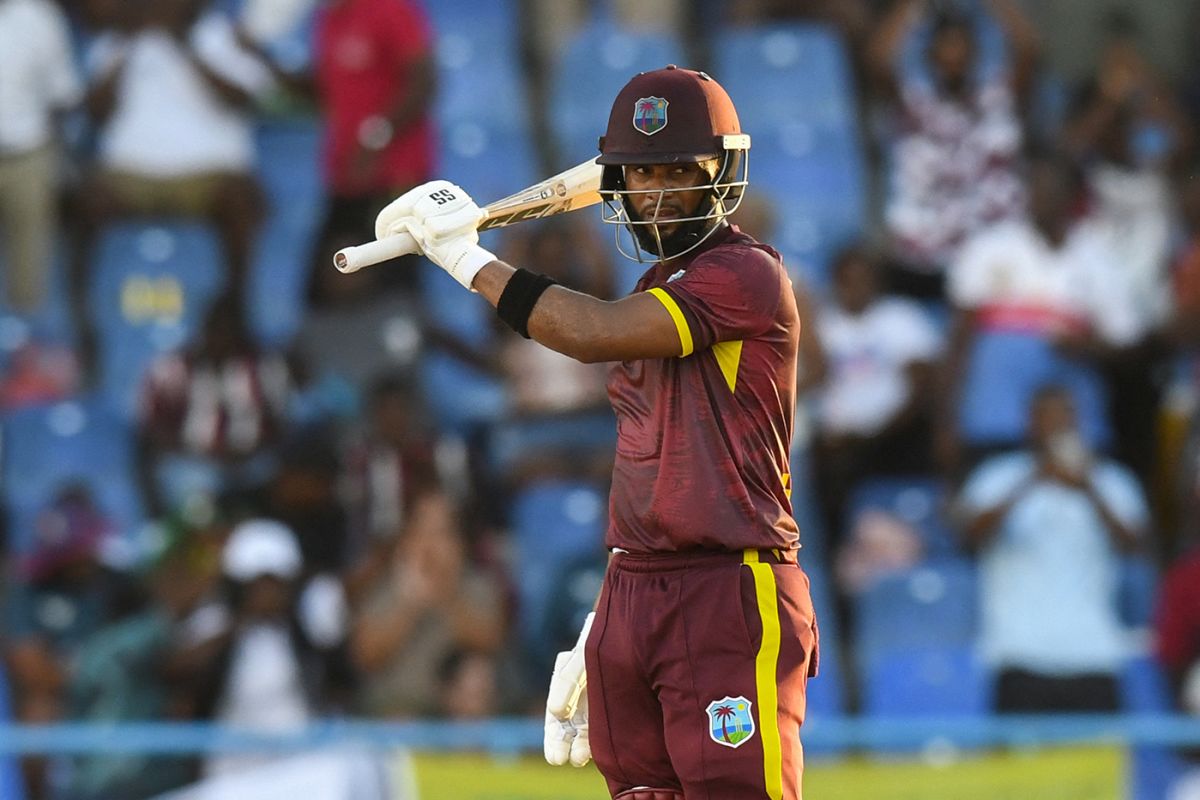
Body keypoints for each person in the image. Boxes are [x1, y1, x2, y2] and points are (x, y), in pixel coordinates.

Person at [370, 65, 818, 800]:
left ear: (724, 173)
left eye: (681, 170)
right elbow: (651, 463)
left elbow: (591, 332)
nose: (660, 191)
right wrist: (615, 613)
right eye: (642, 174)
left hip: (727, 589)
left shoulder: (745, 275)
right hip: (638, 592)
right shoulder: (655, 289)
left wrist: (462, 257)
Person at [956, 385, 1147, 713]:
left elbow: (1134, 547)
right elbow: (970, 537)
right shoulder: (996, 476)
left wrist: (1088, 489)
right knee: (1019, 765)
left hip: (1094, 653)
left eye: (1066, 415)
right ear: (1029, 423)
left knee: (1098, 763)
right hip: (1018, 653)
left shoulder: (1111, 480)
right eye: (1047, 417)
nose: (1057, 425)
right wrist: (1033, 480)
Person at [868, 0, 1039, 300]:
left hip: (992, 255)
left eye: (961, 47)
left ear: (975, 53)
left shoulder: (998, 101)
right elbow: (876, 60)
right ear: (929, 55)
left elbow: (1029, 49)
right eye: (945, 48)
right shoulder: (913, 106)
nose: (954, 56)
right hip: (923, 260)